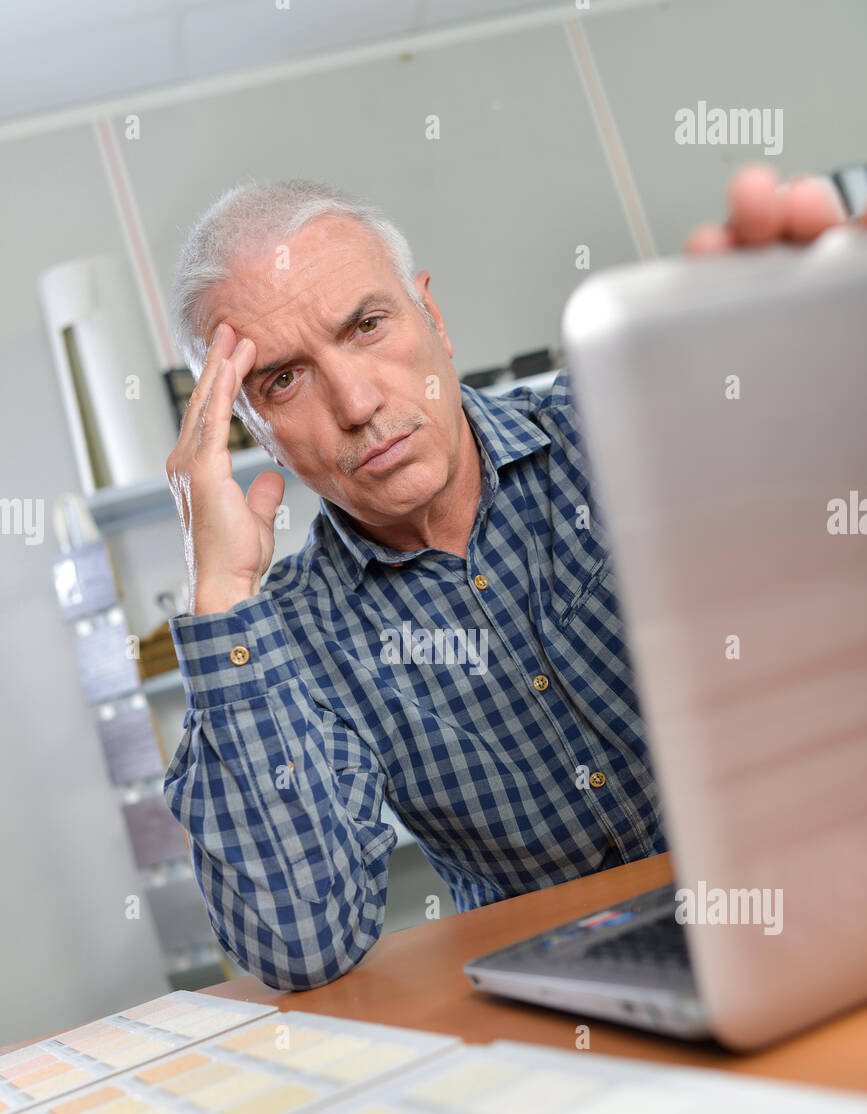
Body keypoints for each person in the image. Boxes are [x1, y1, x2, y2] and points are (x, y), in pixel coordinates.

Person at [163, 164, 860, 991]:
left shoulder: (633, 423)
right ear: (252, 432)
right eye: (283, 380)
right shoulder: (289, 638)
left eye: (367, 326)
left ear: (434, 318)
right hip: (573, 1012)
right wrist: (222, 597)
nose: (355, 402)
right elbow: (301, 945)